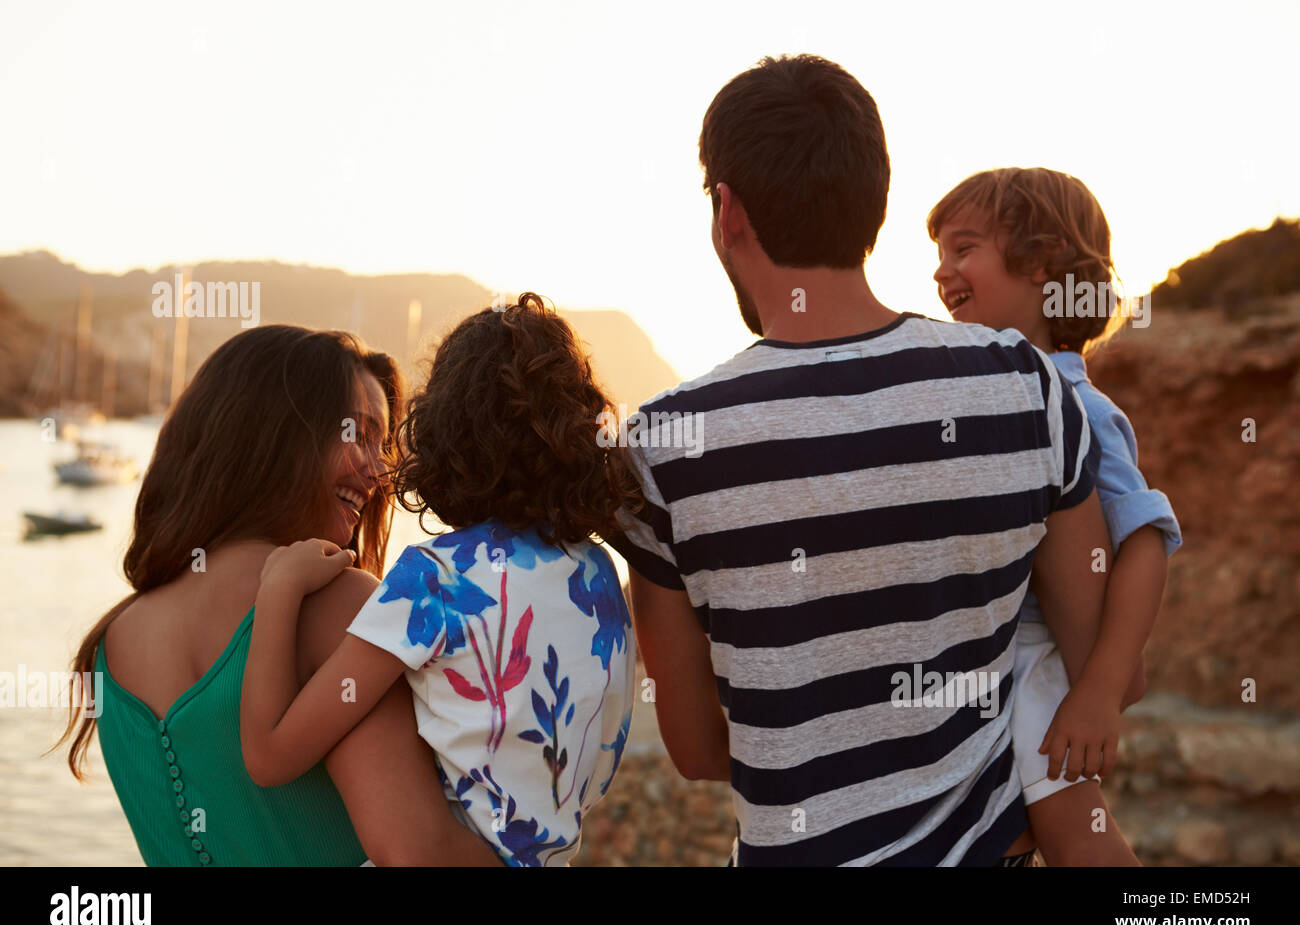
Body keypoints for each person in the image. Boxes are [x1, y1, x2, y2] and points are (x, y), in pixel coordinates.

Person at [607, 53, 1133, 866]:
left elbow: (701, 749)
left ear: (727, 212)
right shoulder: (1023, 387)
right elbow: (1100, 662)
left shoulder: (665, 450)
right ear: (876, 202)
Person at [57, 324, 499, 866]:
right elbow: (418, 854)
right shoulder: (340, 605)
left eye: (381, 443)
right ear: (271, 435)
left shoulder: (111, 644)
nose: (380, 469)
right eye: (355, 434)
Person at [240, 293, 640, 867]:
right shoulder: (600, 576)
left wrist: (278, 587)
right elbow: (600, 757)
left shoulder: (434, 579)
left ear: (445, 433)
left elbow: (270, 755)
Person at [929, 166, 1181, 864]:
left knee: (1081, 842)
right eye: (940, 254)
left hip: (1036, 663)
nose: (942, 271)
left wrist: (1097, 691)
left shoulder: (1076, 405)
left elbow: (1147, 542)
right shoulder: (985, 393)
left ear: (1041, 265)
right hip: (985, 663)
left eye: (963, 248)